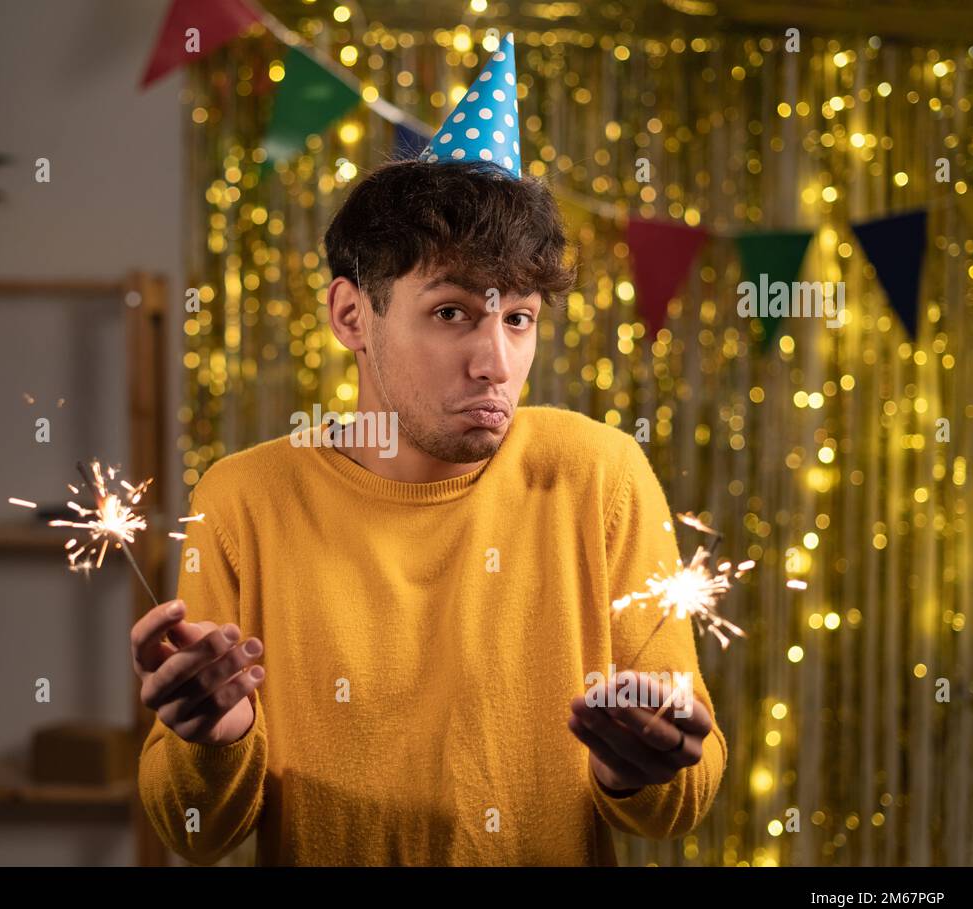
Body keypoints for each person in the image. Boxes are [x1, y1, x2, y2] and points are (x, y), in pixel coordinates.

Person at [135, 33, 726, 866]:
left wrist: (640, 770)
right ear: (352, 317)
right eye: (451, 312)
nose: (495, 362)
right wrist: (215, 737)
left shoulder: (598, 473)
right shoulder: (245, 499)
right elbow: (189, 831)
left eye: (517, 317)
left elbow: (679, 807)